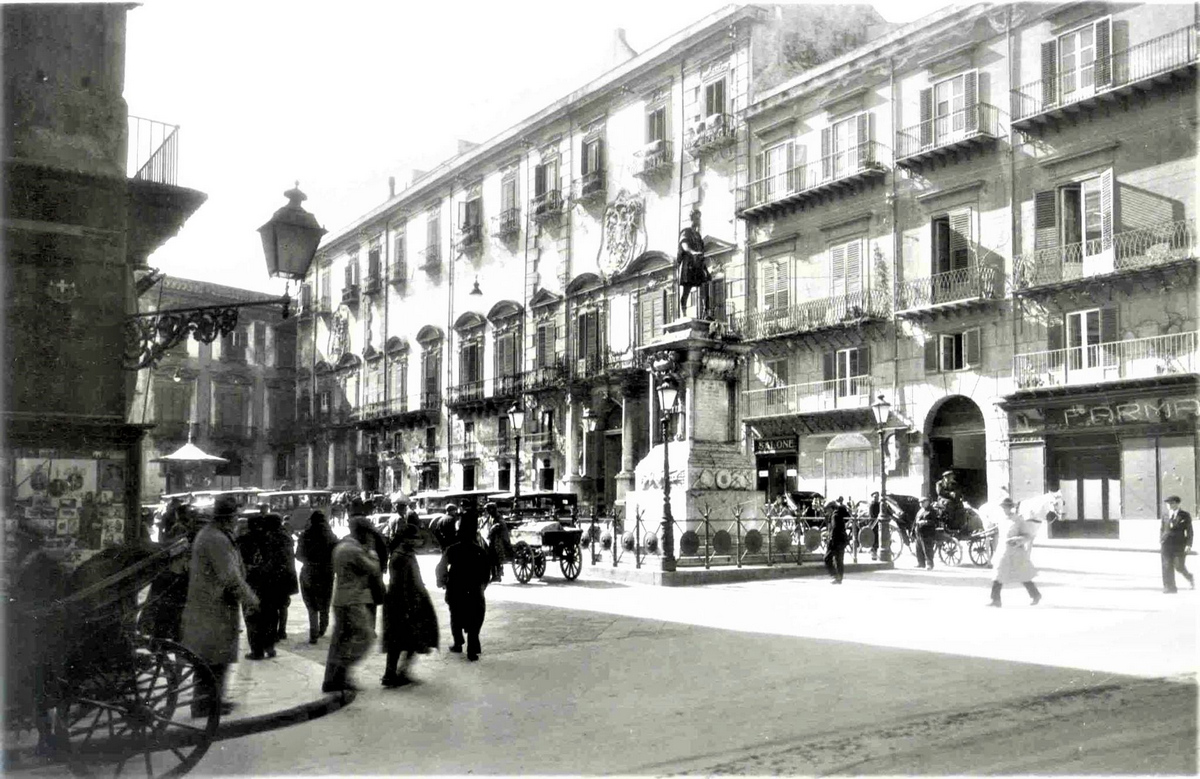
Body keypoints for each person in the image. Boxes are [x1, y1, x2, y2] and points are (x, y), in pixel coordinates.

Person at [181, 495, 259, 716]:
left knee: (215, 658)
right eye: (236, 516)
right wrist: (250, 598)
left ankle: (212, 701)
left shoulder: (216, 535)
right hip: (212, 607)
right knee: (212, 659)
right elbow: (230, 576)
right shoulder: (216, 539)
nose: (237, 520)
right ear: (229, 517)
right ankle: (206, 704)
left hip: (214, 606)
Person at [322, 516, 382, 693]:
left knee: (340, 640)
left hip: (341, 599)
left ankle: (332, 679)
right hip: (352, 600)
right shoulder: (354, 550)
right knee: (366, 636)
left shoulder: (342, 546)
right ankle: (342, 671)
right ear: (362, 532)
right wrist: (372, 551)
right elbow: (373, 568)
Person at [381, 524, 439, 688]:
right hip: (403, 603)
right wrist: (408, 607)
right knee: (405, 639)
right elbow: (401, 585)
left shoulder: (405, 553)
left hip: (407, 601)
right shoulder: (401, 556)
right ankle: (394, 673)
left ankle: (395, 673)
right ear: (406, 538)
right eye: (414, 538)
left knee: (402, 640)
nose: (417, 541)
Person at [237, 513, 297, 659]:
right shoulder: (271, 539)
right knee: (270, 615)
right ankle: (269, 647)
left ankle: (256, 650)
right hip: (270, 584)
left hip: (251, 584)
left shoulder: (242, 541)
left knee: (252, 617)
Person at [435, 512, 492, 660]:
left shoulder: (453, 549)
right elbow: (487, 572)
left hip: (456, 588)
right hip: (474, 589)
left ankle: (458, 643)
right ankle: (472, 650)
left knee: (456, 615)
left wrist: (442, 581)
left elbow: (440, 568)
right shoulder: (479, 551)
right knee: (475, 617)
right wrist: (482, 586)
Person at [988, 498, 1042, 607]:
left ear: (1010, 508)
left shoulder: (1018, 520)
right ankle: (995, 600)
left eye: (1006, 507)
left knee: (1023, 575)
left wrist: (1018, 540)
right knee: (998, 574)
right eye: (1002, 507)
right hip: (1003, 551)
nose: (1004, 509)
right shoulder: (1001, 519)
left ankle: (1035, 595)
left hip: (1016, 552)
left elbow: (1028, 535)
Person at [297, 510, 337, 644]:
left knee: (311, 603)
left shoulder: (305, 535)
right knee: (325, 601)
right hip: (327, 571)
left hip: (309, 570)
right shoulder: (331, 537)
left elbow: (298, 556)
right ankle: (323, 627)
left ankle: (313, 633)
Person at [676, 207, 710, 317]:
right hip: (689, 265)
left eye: (699, 219)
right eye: (696, 219)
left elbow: (702, 253)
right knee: (687, 290)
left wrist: (706, 270)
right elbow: (684, 245)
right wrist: (693, 252)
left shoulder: (698, 236)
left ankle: (706, 311)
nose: (698, 221)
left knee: (705, 285)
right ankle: (684, 312)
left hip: (698, 265)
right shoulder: (686, 232)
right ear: (692, 219)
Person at [1160, 495, 1194, 594]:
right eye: (1168, 504)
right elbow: (1162, 528)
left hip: (1179, 544)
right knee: (1166, 565)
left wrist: (1189, 544)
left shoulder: (1184, 515)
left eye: (1172, 503)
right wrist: (1161, 539)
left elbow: (1190, 531)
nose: (1169, 505)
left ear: (1177, 504)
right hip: (1166, 544)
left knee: (1179, 565)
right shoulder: (1165, 515)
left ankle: (1190, 577)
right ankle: (1169, 587)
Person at [823, 497, 851, 584]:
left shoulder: (835, 516)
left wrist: (830, 538)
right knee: (839, 559)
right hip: (841, 540)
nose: (826, 512)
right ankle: (839, 578)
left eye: (827, 510)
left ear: (831, 508)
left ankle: (835, 575)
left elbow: (835, 529)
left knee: (827, 558)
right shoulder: (839, 514)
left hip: (835, 540)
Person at [482, 502, 512, 583]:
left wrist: (492, 529)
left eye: (488, 509)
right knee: (490, 557)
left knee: (497, 557)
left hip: (500, 539)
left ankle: (498, 575)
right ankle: (494, 575)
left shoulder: (498, 517)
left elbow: (499, 525)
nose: (487, 511)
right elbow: (485, 523)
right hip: (492, 539)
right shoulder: (490, 516)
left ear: (492, 509)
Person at [914, 497, 937, 570]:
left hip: (927, 533)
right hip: (919, 532)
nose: (921, 504)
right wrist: (912, 532)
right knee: (918, 549)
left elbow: (934, 522)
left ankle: (929, 564)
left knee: (927, 549)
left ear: (927, 502)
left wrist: (925, 522)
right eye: (920, 502)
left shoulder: (931, 511)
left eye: (923, 502)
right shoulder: (920, 511)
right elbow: (915, 521)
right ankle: (921, 563)